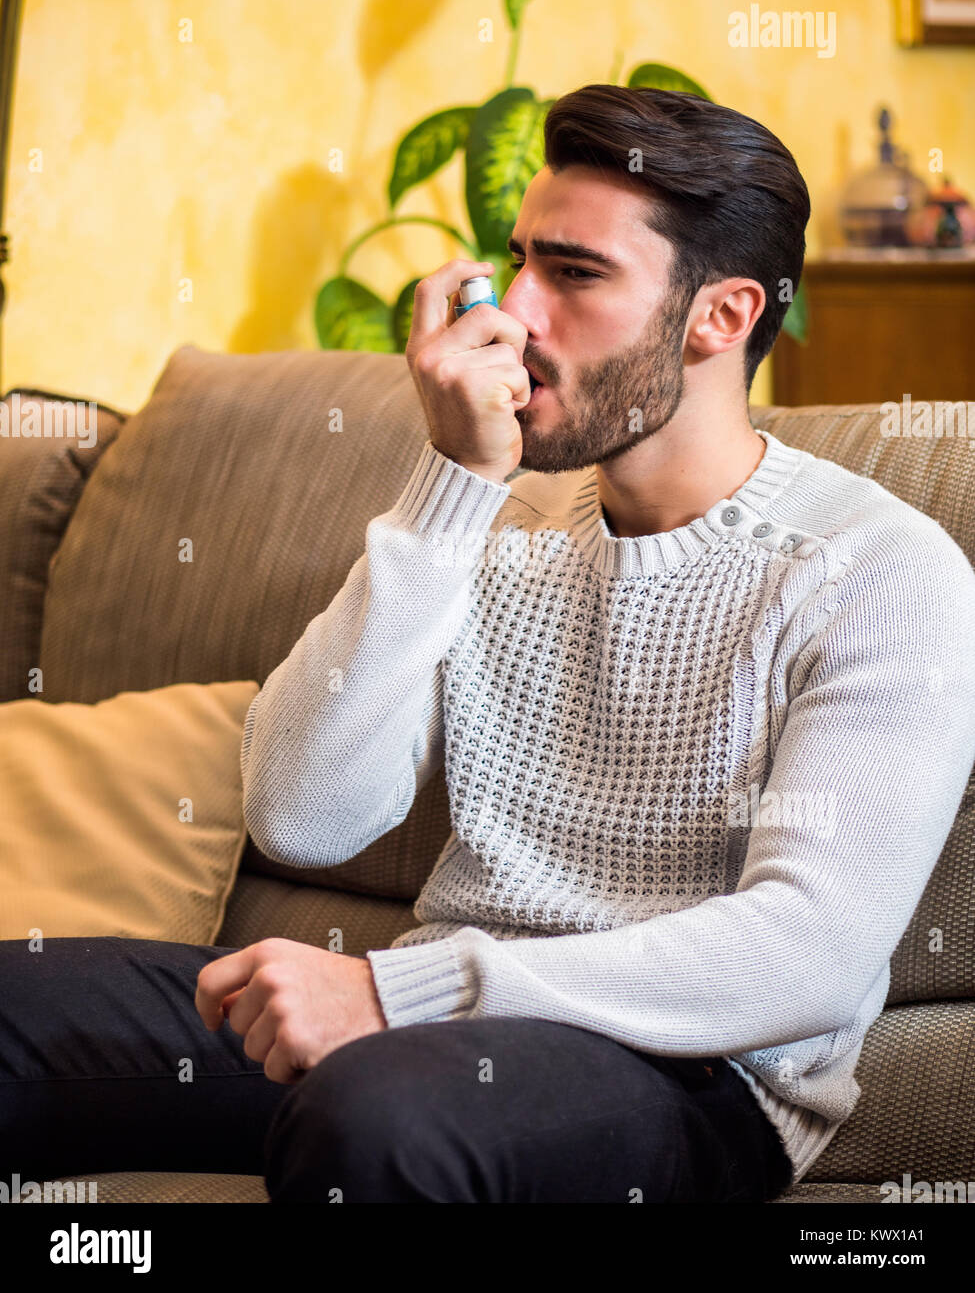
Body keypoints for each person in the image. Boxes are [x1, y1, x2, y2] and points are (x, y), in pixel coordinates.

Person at [3, 85, 974, 1203]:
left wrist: (401, 997)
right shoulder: (496, 523)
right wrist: (455, 484)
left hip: (696, 1079)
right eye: (517, 261)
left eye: (574, 273)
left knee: (380, 1119)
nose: (513, 312)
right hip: (429, 1022)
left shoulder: (877, 571)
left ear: (722, 314)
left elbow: (804, 953)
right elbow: (303, 813)